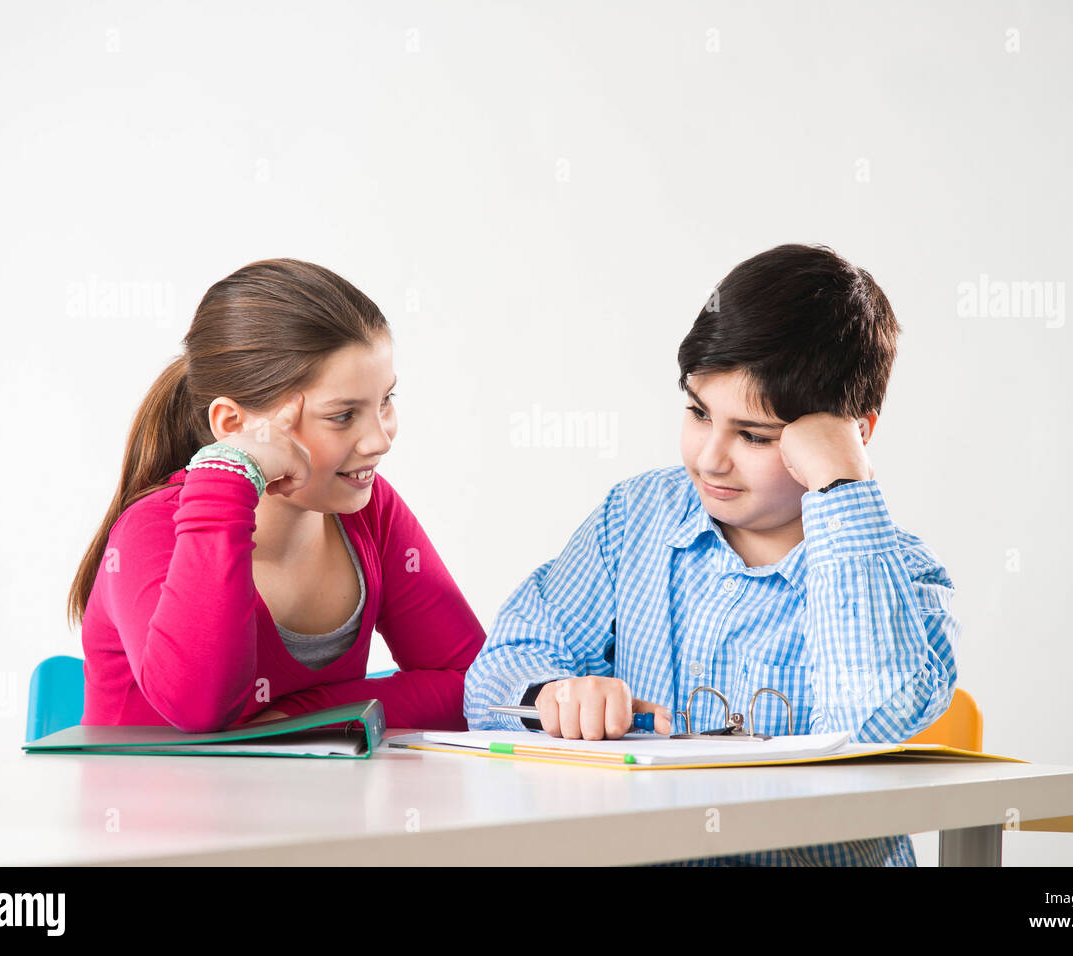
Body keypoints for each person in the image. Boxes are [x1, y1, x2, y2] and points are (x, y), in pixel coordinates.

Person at [463, 243, 960, 866]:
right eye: (699, 413)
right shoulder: (634, 519)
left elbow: (874, 720)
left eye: (754, 435)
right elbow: (495, 674)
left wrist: (842, 487)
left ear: (853, 432)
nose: (710, 457)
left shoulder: (902, 574)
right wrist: (552, 696)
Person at [68, 258, 485, 732]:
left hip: (299, 804)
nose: (380, 440)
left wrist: (301, 716)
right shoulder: (150, 530)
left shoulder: (370, 513)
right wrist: (227, 475)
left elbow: (477, 685)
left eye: (385, 400)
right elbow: (198, 710)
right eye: (344, 415)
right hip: (157, 805)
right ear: (233, 426)